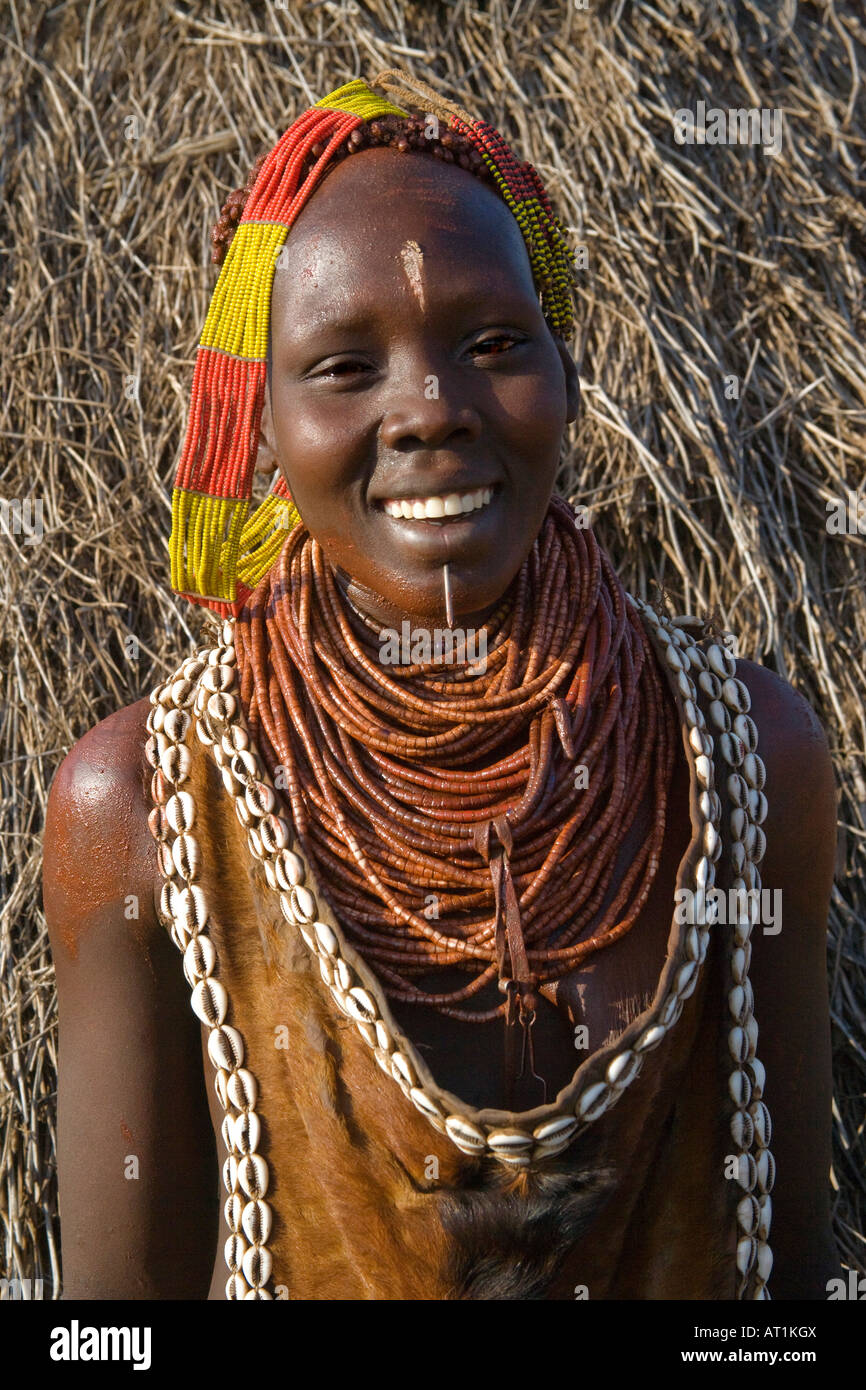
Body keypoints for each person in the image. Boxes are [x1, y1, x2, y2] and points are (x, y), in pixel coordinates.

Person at [42, 71, 840, 1301]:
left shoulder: (741, 759)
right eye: (345, 366)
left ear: (565, 373)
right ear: (258, 421)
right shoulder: (147, 808)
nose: (428, 410)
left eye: (492, 344)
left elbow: (778, 1287)